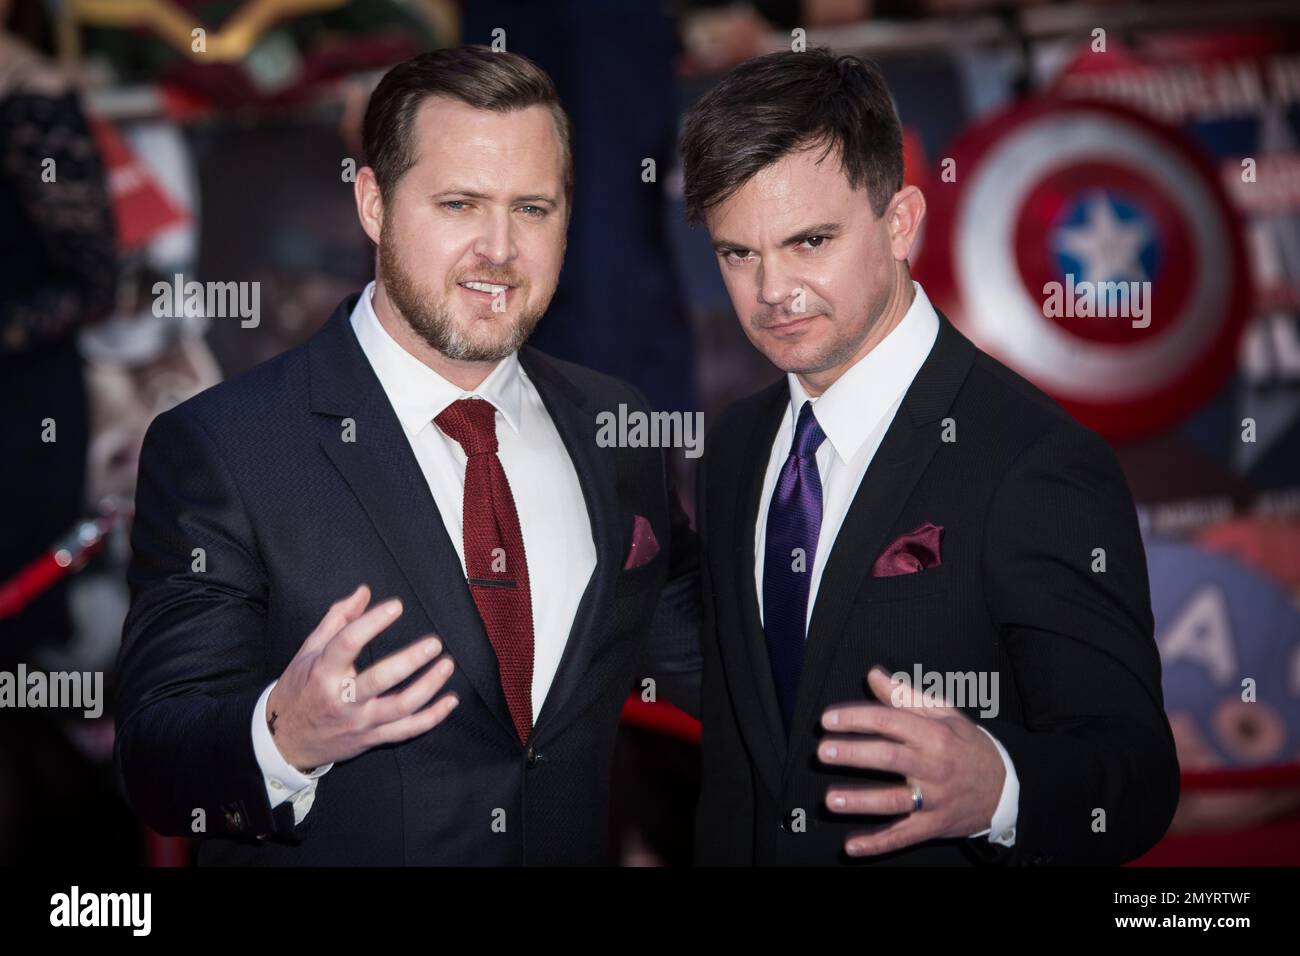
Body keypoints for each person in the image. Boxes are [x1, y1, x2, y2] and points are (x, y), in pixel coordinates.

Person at [114, 46, 700, 866]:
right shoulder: (226, 447)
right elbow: (156, 762)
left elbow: (721, 668)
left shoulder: (614, 426)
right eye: (459, 203)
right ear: (373, 203)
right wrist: (287, 735)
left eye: (533, 208)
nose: (499, 249)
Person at [682, 48, 1179, 865]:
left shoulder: (1034, 461)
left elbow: (1136, 774)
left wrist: (1000, 787)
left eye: (810, 241)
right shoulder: (738, 445)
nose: (774, 290)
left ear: (901, 221)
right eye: (739, 253)